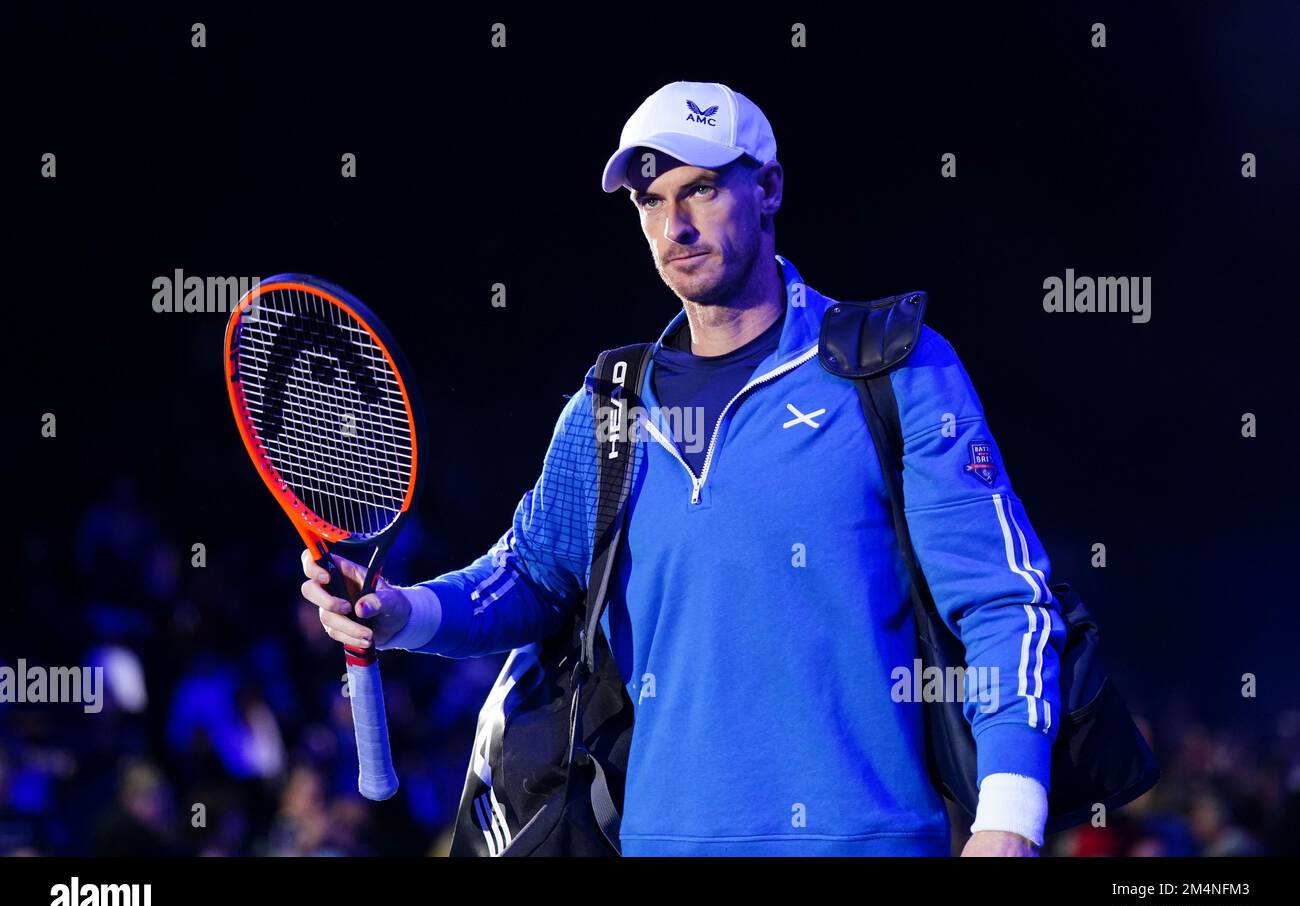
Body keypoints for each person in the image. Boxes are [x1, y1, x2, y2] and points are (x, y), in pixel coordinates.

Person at [300, 80, 1066, 857]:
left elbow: (1006, 603)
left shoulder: (892, 371)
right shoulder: (611, 407)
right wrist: (402, 613)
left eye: (700, 188)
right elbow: (530, 578)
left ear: (767, 188)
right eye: (649, 200)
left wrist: (1009, 819)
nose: (675, 224)